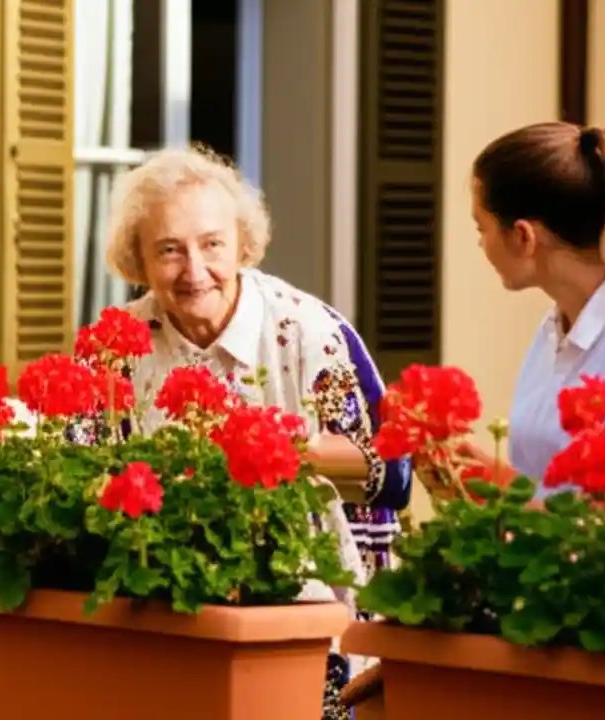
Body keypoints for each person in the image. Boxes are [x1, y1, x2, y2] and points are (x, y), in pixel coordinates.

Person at [103, 144, 411, 720]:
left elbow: (391, 473)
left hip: (313, 599)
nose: (194, 271)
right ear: (138, 262)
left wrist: (286, 449)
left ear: (242, 245)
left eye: (212, 245)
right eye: (169, 250)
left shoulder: (309, 332)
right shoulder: (117, 348)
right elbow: (87, 475)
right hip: (162, 599)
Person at [461, 122, 605, 491]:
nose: (481, 245)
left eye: (482, 229)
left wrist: (514, 500)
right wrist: (498, 482)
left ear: (524, 236)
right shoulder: (552, 331)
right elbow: (553, 492)